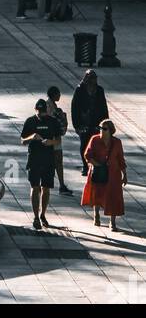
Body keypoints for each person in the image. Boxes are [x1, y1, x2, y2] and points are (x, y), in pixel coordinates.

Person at [20, 98, 62, 231]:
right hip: (34, 159)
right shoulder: (30, 121)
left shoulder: (52, 121)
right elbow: (22, 140)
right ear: (35, 110)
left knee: (46, 188)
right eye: (39, 112)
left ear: (46, 110)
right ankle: (36, 217)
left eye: (43, 112)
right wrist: (31, 137)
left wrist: (50, 142)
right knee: (35, 187)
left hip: (48, 159)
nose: (41, 114)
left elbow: (58, 139)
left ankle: (43, 214)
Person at [82, 119, 127, 231]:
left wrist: (124, 174)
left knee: (113, 197)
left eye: (104, 129)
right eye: (100, 128)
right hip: (98, 172)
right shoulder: (95, 139)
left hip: (113, 174)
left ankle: (112, 222)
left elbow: (121, 159)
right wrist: (96, 165)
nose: (101, 130)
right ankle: (96, 215)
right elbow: (87, 155)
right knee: (97, 194)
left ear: (111, 131)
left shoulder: (117, 142)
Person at [71, 71, 109, 176]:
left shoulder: (99, 90)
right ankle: (85, 165)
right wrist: (77, 125)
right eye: (91, 78)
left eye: (94, 78)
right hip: (84, 122)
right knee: (84, 144)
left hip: (97, 122)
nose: (93, 80)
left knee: (96, 143)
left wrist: (106, 123)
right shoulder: (79, 90)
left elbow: (103, 107)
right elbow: (75, 108)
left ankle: (95, 164)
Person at [46, 85, 73, 195]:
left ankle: (59, 184)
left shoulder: (51, 105)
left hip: (53, 138)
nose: (60, 95)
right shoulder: (50, 106)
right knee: (57, 162)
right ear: (54, 94)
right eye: (58, 94)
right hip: (53, 138)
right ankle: (60, 185)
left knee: (56, 162)